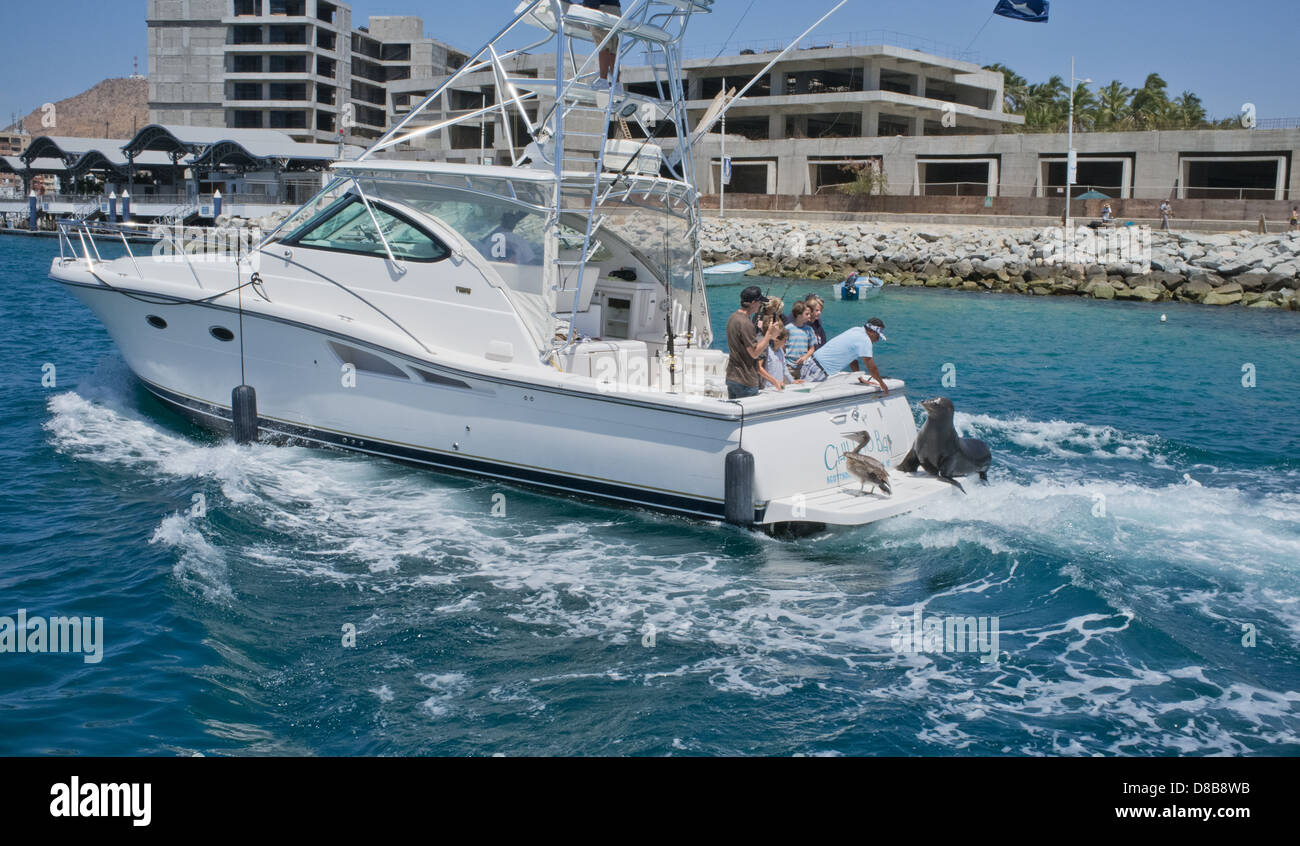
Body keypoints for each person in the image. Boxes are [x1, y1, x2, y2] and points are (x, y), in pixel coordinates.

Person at [800, 317, 889, 395]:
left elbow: (852, 360)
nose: (877, 340)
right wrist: (882, 384)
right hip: (818, 371)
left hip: (811, 363)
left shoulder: (856, 330)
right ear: (872, 332)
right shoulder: (865, 340)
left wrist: (860, 378)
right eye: (878, 336)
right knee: (805, 399)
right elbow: (872, 367)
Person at [725, 285, 780, 399]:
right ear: (753, 302)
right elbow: (754, 353)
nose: (760, 306)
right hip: (745, 380)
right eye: (760, 303)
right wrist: (769, 335)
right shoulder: (746, 323)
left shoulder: (732, 318)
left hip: (732, 377)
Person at [783, 302, 816, 381]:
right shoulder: (788, 329)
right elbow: (782, 346)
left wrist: (804, 357)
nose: (809, 316)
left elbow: (812, 348)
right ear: (799, 315)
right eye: (807, 314)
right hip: (788, 366)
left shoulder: (809, 330)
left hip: (803, 367)